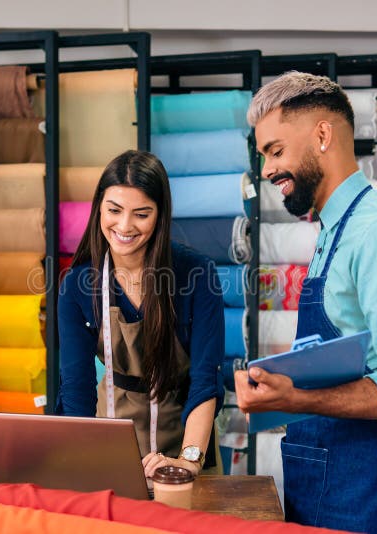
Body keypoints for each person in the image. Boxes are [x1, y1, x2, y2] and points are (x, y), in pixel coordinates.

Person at [235, 72, 377, 533]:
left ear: (322, 135)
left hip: (362, 482)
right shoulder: (334, 229)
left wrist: (298, 396)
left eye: (276, 150)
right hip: (324, 472)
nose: (267, 170)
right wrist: (280, 389)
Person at [56, 149, 224, 477]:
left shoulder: (197, 275)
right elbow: (76, 388)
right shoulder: (77, 285)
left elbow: (206, 379)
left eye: (141, 214)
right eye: (114, 210)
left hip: (187, 431)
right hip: (112, 436)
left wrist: (188, 461)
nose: (124, 226)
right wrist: (79, 463)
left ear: (160, 215)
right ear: (98, 209)